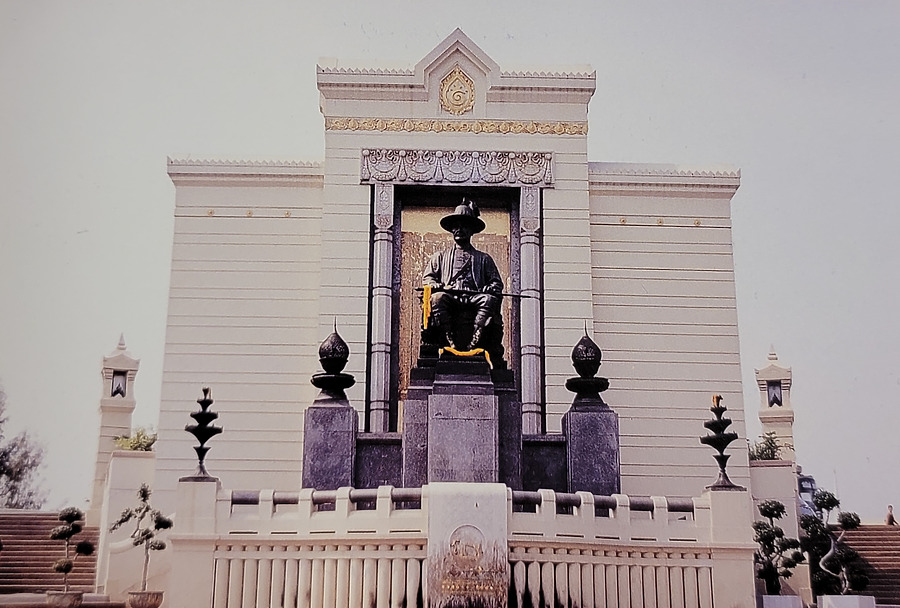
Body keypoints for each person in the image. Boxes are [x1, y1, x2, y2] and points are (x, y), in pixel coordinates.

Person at [423, 199, 503, 353]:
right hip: (451, 296)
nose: (459, 229)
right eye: (456, 226)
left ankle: (476, 337)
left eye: (464, 226)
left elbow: (496, 283)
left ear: (472, 230)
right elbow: (428, 278)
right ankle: (448, 336)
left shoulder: (484, 258)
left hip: (474, 296)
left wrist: (489, 287)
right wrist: (439, 286)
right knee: (437, 298)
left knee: (489, 299)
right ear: (452, 230)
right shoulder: (440, 256)